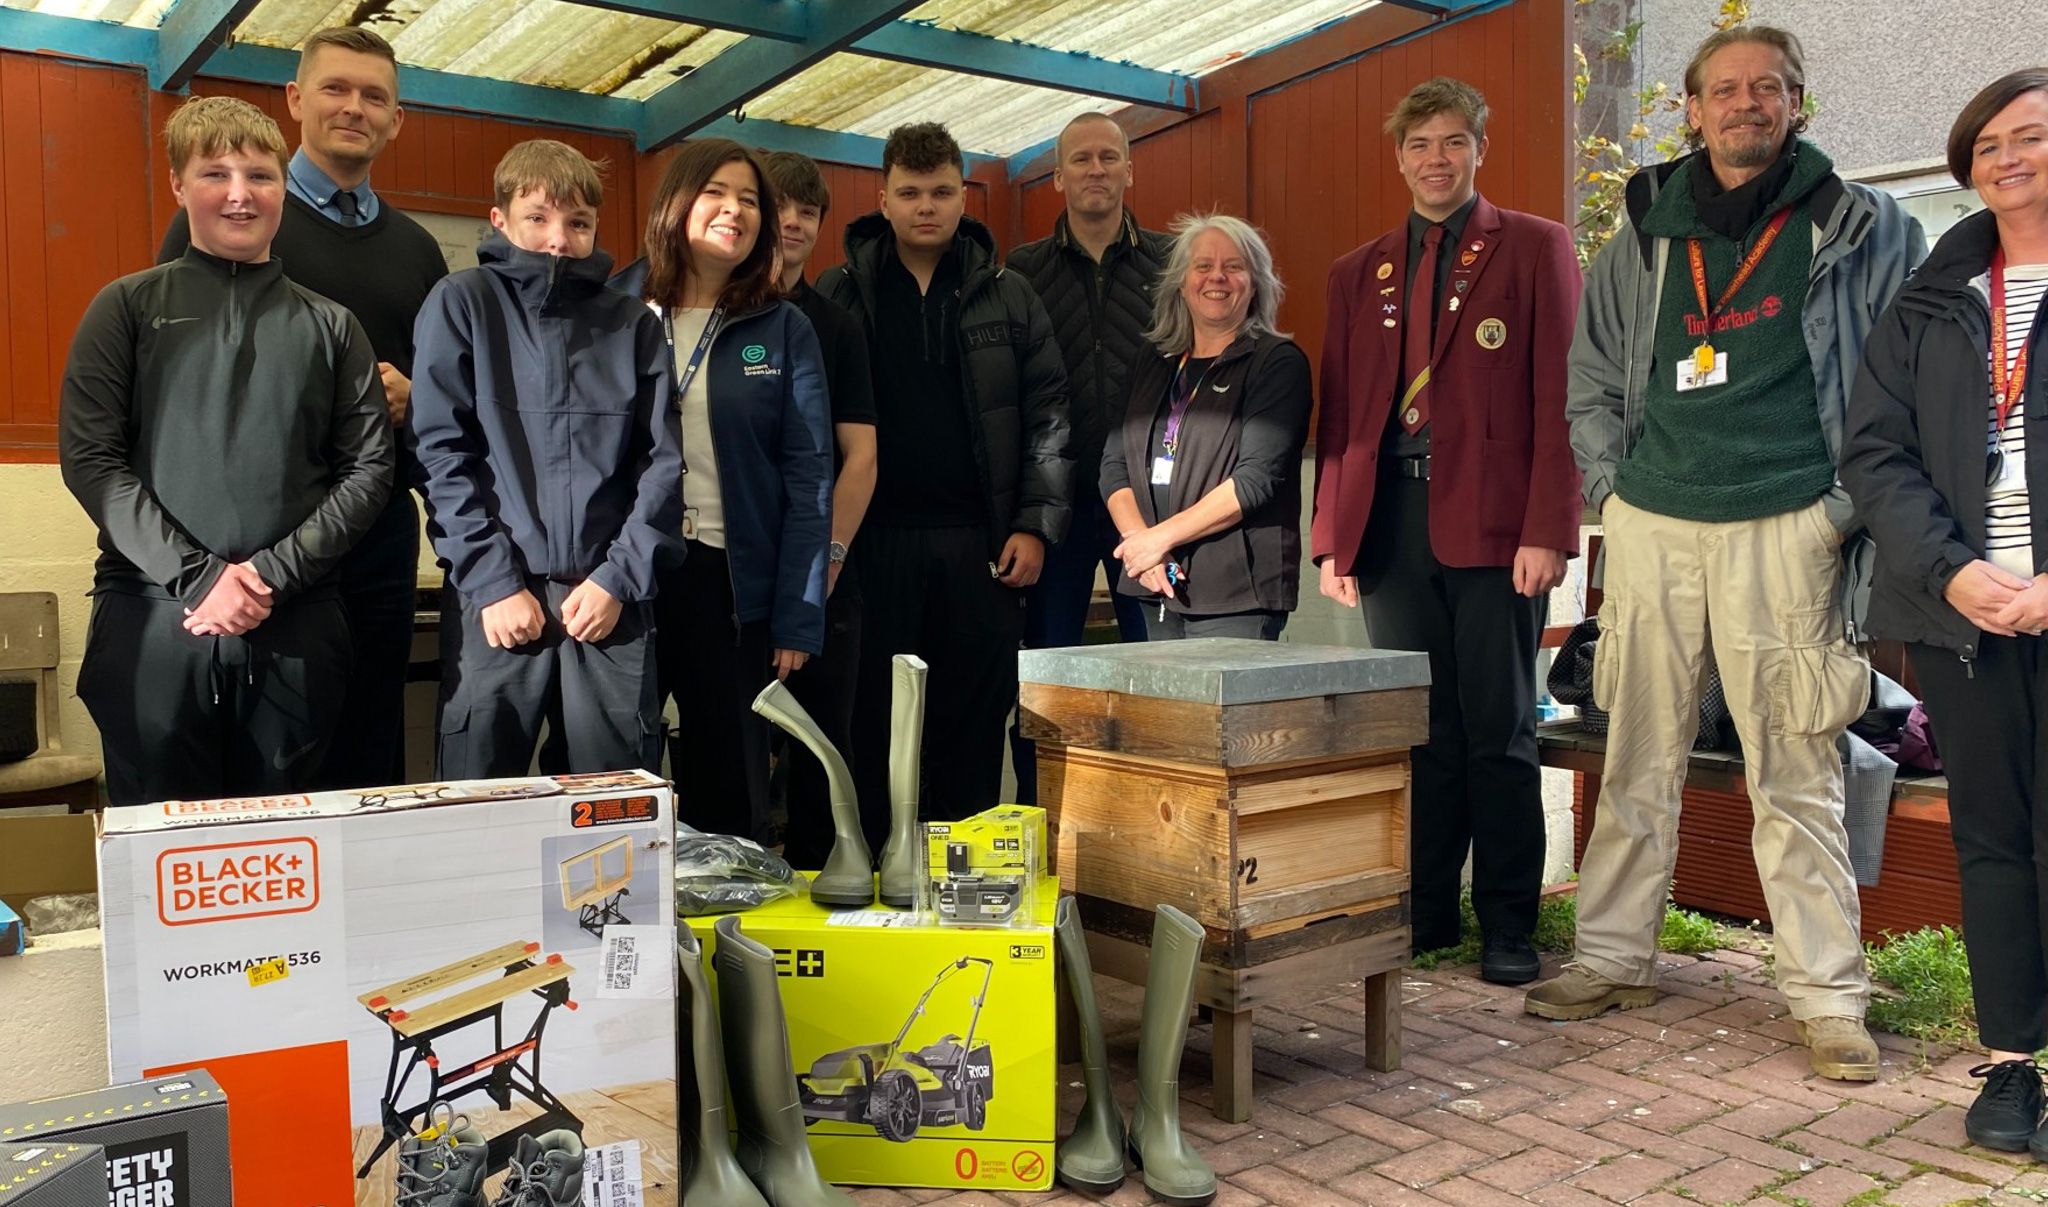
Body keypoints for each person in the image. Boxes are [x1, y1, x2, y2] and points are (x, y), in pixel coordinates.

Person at [1533, 25, 1925, 1082]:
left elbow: (1906, 369)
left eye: (1765, 87)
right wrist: (1613, 486)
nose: (1743, 103)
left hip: (1786, 522)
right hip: (1656, 522)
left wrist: (1840, 508)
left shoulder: (1861, 223)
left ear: (1795, 102)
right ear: (1692, 109)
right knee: (1634, 755)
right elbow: (1592, 371)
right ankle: (1612, 954)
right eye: (1722, 90)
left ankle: (1826, 997)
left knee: (1793, 767)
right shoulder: (1647, 228)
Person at [1312, 78, 1582, 983]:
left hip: (1499, 531)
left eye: (1454, 141)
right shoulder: (1360, 272)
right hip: (1392, 528)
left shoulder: (1537, 248)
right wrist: (1333, 540)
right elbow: (1343, 415)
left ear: (1480, 149)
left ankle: (1508, 923)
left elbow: (1560, 400)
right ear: (1398, 156)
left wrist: (1549, 527)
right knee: (1418, 731)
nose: (1437, 158)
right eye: (1420, 143)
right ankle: (1426, 911)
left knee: (1499, 728)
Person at [62, 96, 391, 805]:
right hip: (152, 619)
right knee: (159, 858)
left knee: (284, 851)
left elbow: (369, 469)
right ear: (179, 186)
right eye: (216, 173)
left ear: (282, 188)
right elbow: (91, 458)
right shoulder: (123, 308)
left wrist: (269, 574)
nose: (240, 194)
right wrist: (198, 577)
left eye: (260, 175)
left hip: (295, 627)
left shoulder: (333, 328)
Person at [1842, 69, 2048, 1149]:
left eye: (2029, 138)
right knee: (1992, 841)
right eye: (1985, 145)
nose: (2005, 158)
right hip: (1960, 619)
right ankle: (2010, 1065)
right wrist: (1954, 572)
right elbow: (1873, 452)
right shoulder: (1929, 297)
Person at [159, 27, 447, 790]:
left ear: (396, 119)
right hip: (260, 545)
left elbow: (447, 400)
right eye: (336, 88)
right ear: (295, 100)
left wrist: (417, 398)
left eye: (374, 96)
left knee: (370, 743)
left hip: (378, 538)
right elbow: (177, 391)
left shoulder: (418, 250)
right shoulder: (229, 217)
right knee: (266, 761)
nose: (354, 107)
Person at [817, 121, 1071, 824]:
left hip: (979, 547)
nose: (925, 205)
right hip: (873, 547)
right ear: (883, 198)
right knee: (872, 723)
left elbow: (1049, 412)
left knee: (970, 723)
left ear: (964, 197)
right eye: (910, 192)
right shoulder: (839, 293)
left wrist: (1033, 523)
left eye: (941, 191)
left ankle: (963, 883)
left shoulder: (1009, 293)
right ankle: (872, 888)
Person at [411, 140, 682, 778]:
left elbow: (663, 467)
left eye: (578, 223)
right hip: (498, 600)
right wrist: (493, 581)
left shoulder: (632, 324)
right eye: (538, 218)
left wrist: (618, 579)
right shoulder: (462, 303)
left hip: (608, 604)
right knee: (480, 797)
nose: (559, 239)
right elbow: (439, 453)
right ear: (500, 219)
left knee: (611, 808)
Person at [625, 139, 834, 841]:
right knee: (616, 775)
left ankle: (722, 941)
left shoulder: (782, 328)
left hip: (731, 584)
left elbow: (809, 476)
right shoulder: (617, 310)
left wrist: (798, 613)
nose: (735, 210)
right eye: (716, 192)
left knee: (730, 785)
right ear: (677, 201)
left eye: (750, 200)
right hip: (627, 577)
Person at [1005, 111, 1164, 800]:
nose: (1095, 170)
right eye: (1081, 159)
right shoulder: (1021, 271)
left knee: (1163, 679)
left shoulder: (1171, 262)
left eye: (1109, 157)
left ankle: (1156, 835)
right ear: (1058, 176)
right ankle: (1040, 830)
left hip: (1150, 510)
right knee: (1044, 681)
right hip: (1058, 506)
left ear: (1130, 169)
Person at [1101, 214, 1311, 639]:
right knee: (1161, 709)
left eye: (1234, 266)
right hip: (1153, 582)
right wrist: (1140, 543)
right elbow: (1113, 464)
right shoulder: (1152, 362)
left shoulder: (1277, 364)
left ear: (1255, 284)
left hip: (1236, 593)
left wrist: (1156, 541)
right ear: (1181, 282)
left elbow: (1255, 480)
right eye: (1203, 266)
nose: (1217, 276)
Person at [758, 149, 881, 864]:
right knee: (737, 752)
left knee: (822, 750)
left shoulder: (837, 327)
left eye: (808, 211)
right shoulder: (713, 313)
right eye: (781, 208)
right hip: (736, 566)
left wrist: (827, 556)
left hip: (826, 578)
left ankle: (818, 899)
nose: (794, 222)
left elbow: (860, 457)